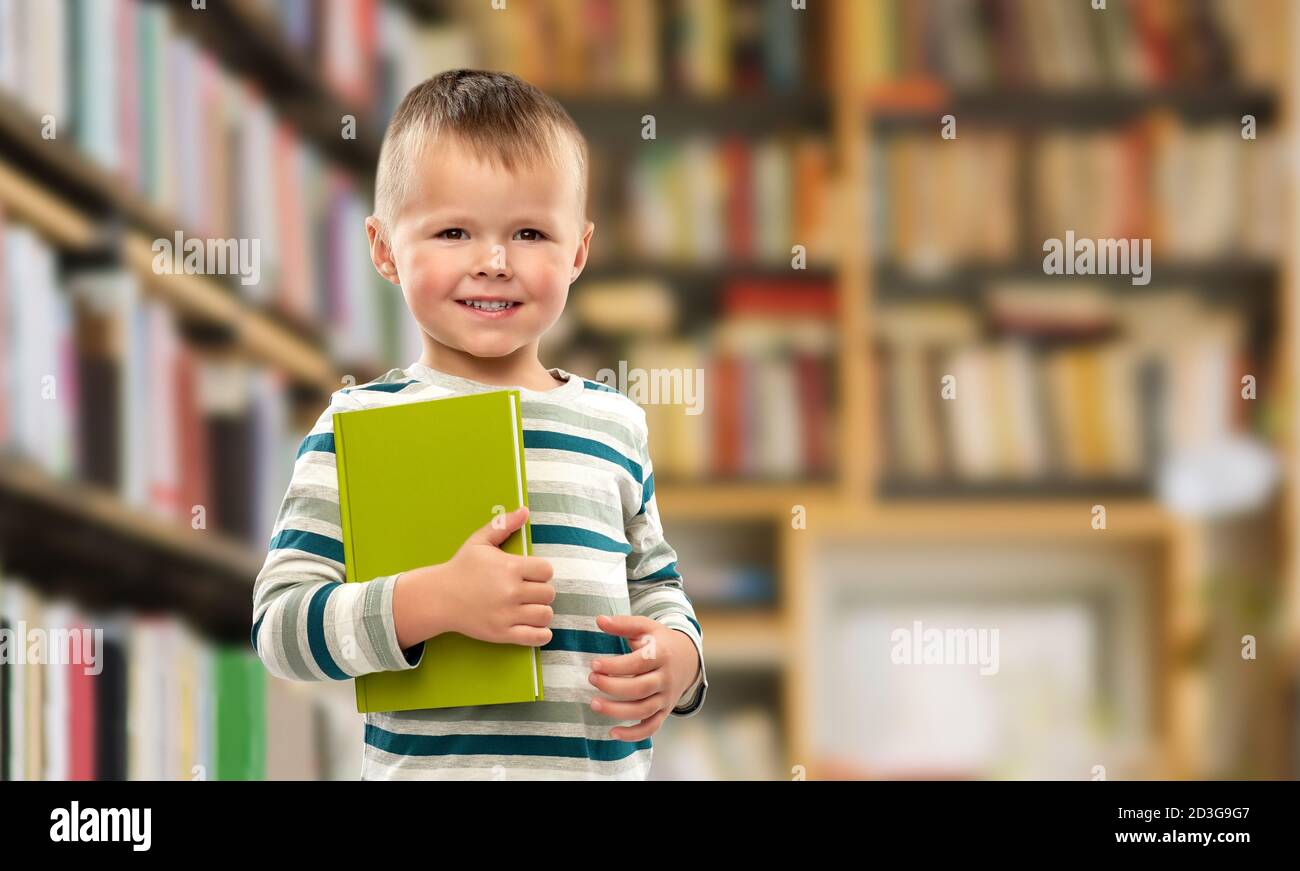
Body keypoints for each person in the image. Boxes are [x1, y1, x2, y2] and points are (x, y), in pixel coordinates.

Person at [251, 69, 706, 780]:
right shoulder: (354, 426)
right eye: (454, 230)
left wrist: (681, 659)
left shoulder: (615, 423)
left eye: (529, 232)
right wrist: (429, 601)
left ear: (578, 252)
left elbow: (656, 584)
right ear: (383, 249)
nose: (493, 262)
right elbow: (281, 627)